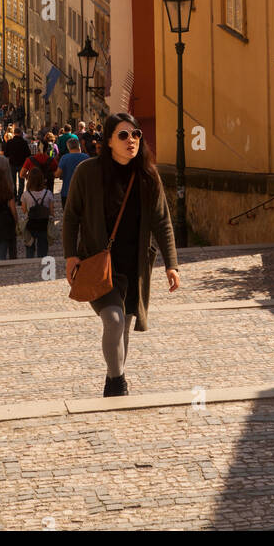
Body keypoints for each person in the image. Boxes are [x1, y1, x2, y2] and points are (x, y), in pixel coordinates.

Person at [63, 113, 180, 398]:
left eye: (136, 134)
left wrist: (171, 264)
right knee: (114, 320)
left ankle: (112, 377)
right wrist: (70, 256)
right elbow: (71, 216)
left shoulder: (148, 176)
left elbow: (162, 221)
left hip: (134, 263)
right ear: (109, 141)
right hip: (98, 263)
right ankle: (118, 383)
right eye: (124, 135)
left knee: (124, 324)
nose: (132, 140)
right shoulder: (88, 172)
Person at [21, 168, 55, 258]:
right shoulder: (48, 193)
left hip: (31, 223)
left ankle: (30, 261)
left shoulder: (25, 194)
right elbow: (52, 211)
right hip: (43, 223)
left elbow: (24, 210)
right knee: (43, 247)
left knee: (29, 246)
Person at [56, 137, 89, 210]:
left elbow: (57, 174)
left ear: (68, 147)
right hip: (83, 192)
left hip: (67, 191)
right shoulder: (86, 157)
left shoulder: (64, 158)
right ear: (78, 146)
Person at [4, 123, 31, 201]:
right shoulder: (24, 142)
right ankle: (20, 198)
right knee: (21, 182)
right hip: (22, 164)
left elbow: (6, 154)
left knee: (13, 181)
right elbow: (28, 154)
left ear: (14, 133)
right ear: (20, 133)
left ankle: (14, 197)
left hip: (12, 164)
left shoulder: (9, 142)